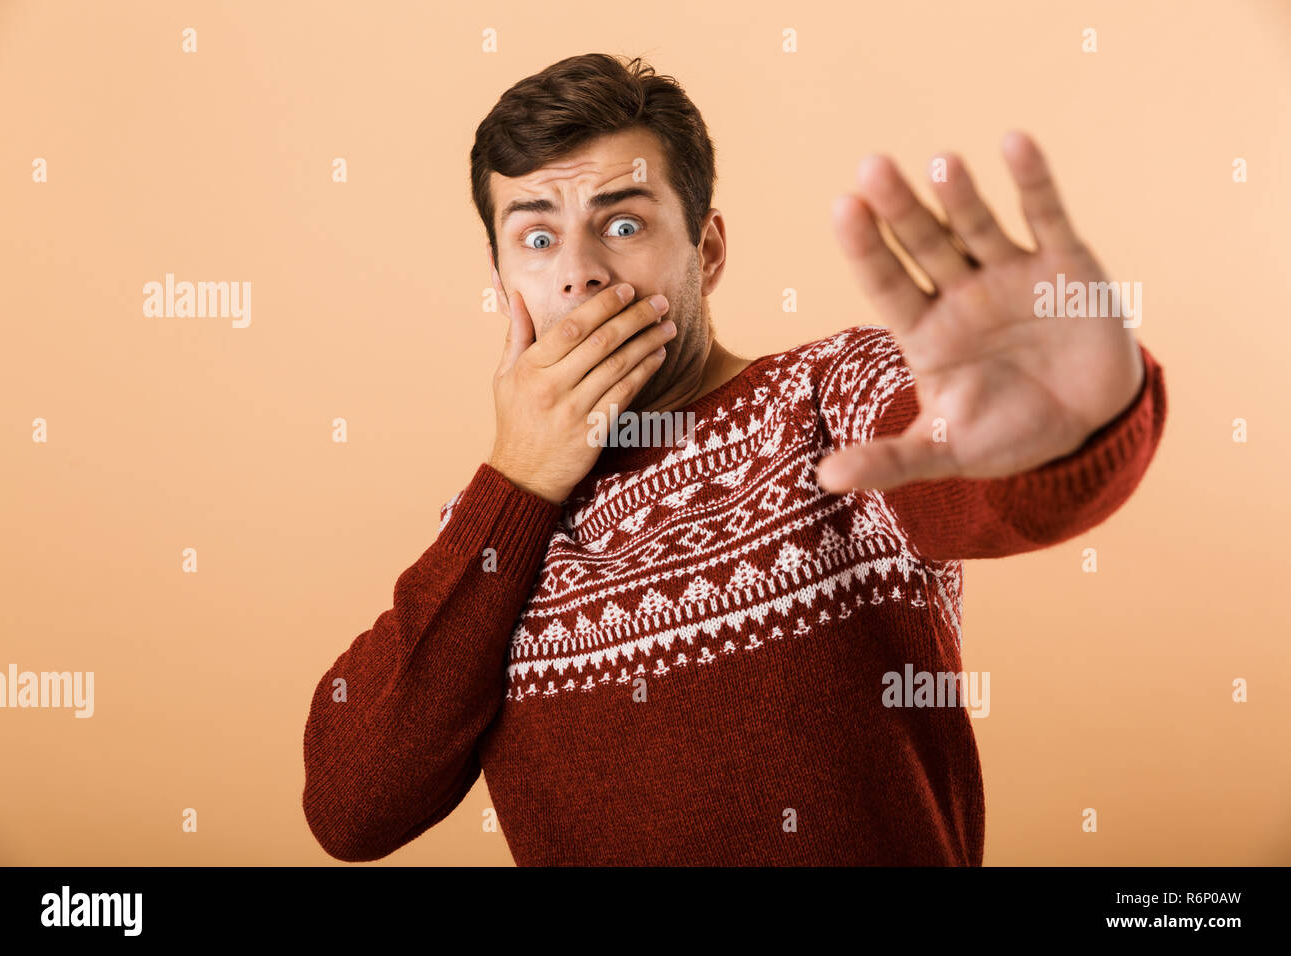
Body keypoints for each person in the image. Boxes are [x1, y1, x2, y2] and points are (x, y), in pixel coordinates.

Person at [301, 53, 1167, 865]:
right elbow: (353, 807)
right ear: (502, 286)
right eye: (536, 239)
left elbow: (988, 491)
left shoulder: (832, 390)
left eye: (624, 223)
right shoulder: (493, 525)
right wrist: (517, 481)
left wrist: (1066, 424)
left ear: (707, 252)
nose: (578, 274)